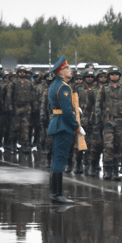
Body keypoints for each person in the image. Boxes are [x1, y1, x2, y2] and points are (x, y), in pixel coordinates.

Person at [46, 57, 80, 203]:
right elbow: (66, 112)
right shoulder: (64, 87)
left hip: (57, 122)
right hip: (63, 125)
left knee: (57, 158)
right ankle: (57, 194)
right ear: (61, 72)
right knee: (60, 158)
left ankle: (55, 193)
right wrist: (76, 125)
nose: (70, 71)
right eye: (67, 69)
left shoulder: (54, 85)